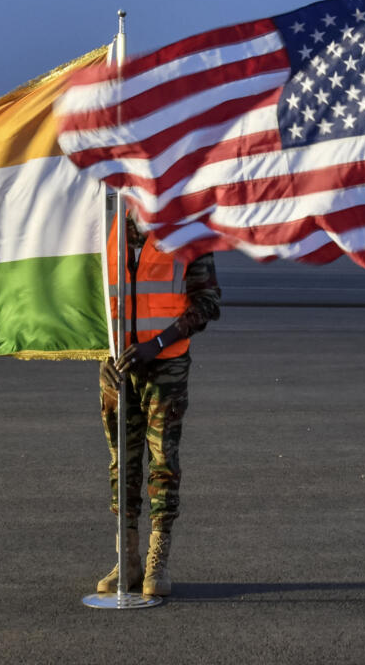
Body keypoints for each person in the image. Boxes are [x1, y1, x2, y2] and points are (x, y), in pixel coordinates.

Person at [96, 213, 221, 597]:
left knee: (162, 459)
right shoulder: (106, 226)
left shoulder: (189, 228)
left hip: (164, 366)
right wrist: (101, 354)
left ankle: (157, 560)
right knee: (122, 461)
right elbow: (91, 299)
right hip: (118, 365)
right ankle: (127, 558)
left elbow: (207, 304)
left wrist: (159, 344)